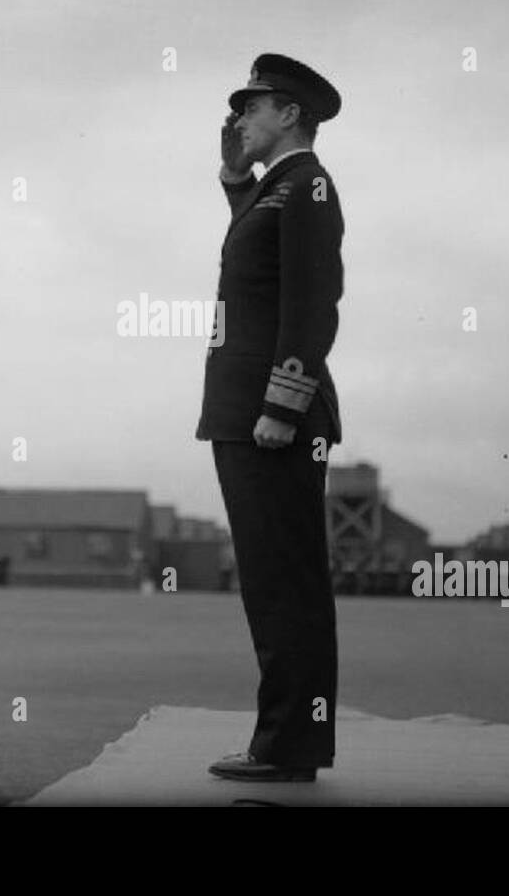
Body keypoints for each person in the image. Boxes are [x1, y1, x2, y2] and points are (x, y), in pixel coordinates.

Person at [197, 54, 344, 783]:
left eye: (250, 108)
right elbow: (260, 261)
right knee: (270, 581)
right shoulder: (278, 190)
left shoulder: (308, 186)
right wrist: (235, 180)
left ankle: (286, 745)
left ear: (289, 113)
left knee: (285, 583)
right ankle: (288, 741)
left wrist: (282, 406)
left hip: (270, 417)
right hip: (245, 413)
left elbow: (312, 303)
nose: (239, 120)